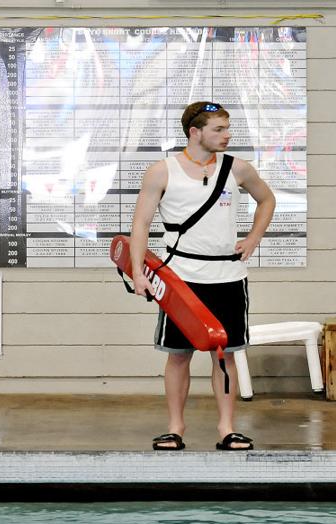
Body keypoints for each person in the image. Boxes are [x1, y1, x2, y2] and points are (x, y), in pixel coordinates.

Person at [128, 101, 276, 450]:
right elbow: (141, 224)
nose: (227, 135)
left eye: (227, 128)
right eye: (218, 129)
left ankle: (227, 428)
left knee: (225, 354)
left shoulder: (238, 169)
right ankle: (175, 428)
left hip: (228, 277)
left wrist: (253, 238)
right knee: (178, 355)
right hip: (181, 277)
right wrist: (137, 272)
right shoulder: (161, 172)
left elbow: (267, 200)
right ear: (195, 132)